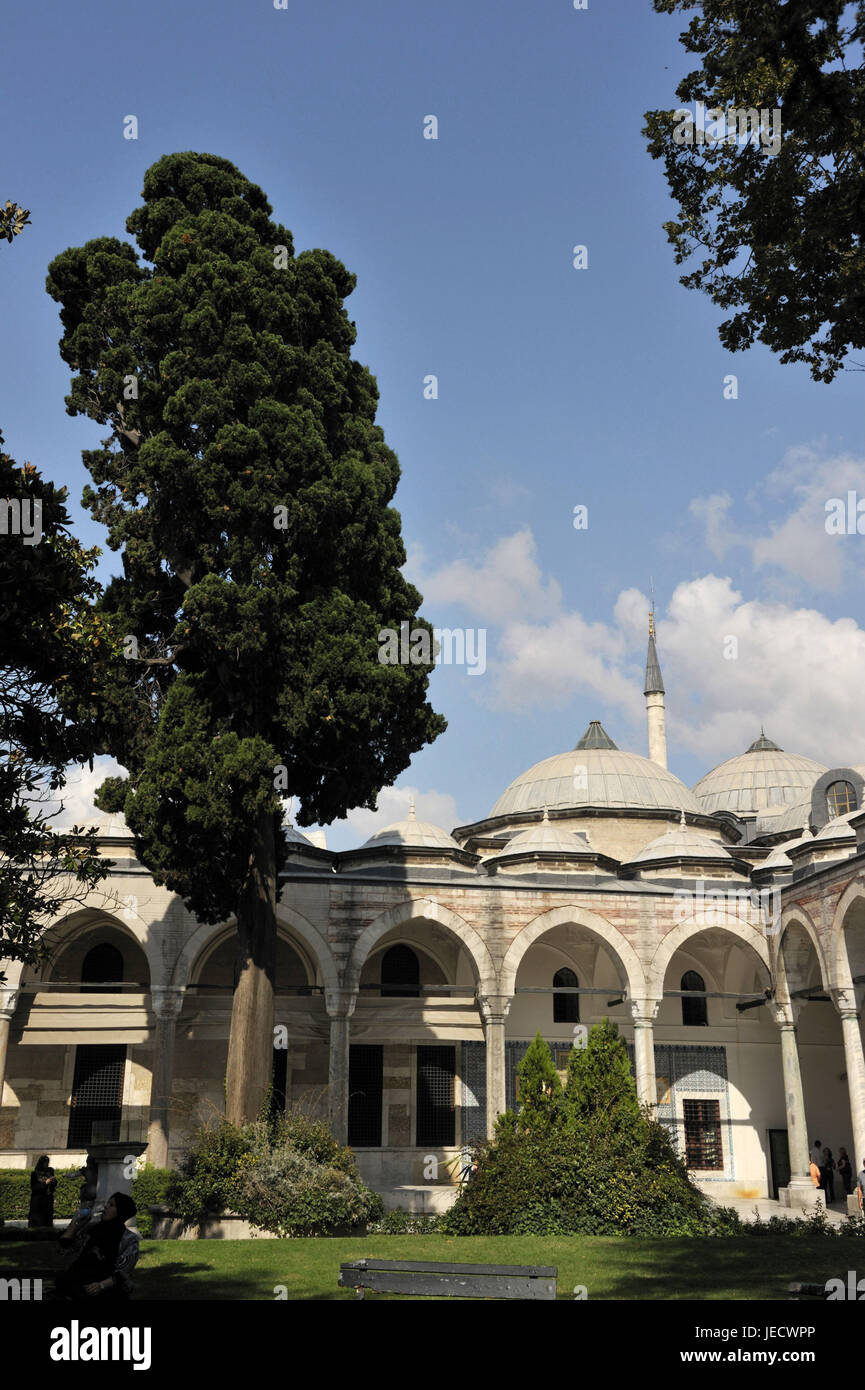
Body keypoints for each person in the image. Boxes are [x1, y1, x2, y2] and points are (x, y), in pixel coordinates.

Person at [54, 1193, 139, 1301]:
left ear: (121, 1212)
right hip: (77, 1280)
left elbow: (124, 1272)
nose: (106, 1206)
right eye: (107, 1203)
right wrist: (74, 1226)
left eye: (111, 1205)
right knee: (60, 1282)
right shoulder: (92, 1229)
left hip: (106, 1287)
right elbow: (63, 1251)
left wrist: (101, 1285)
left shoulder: (128, 1239)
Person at [28, 1154, 57, 1228]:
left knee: (47, 1220)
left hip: (48, 1199)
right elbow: (34, 1187)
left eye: (48, 1162)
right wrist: (45, 1183)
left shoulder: (50, 1171)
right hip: (38, 1200)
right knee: (37, 1221)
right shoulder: (35, 1174)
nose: (47, 1164)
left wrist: (53, 1182)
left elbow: (54, 1184)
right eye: (45, 1163)